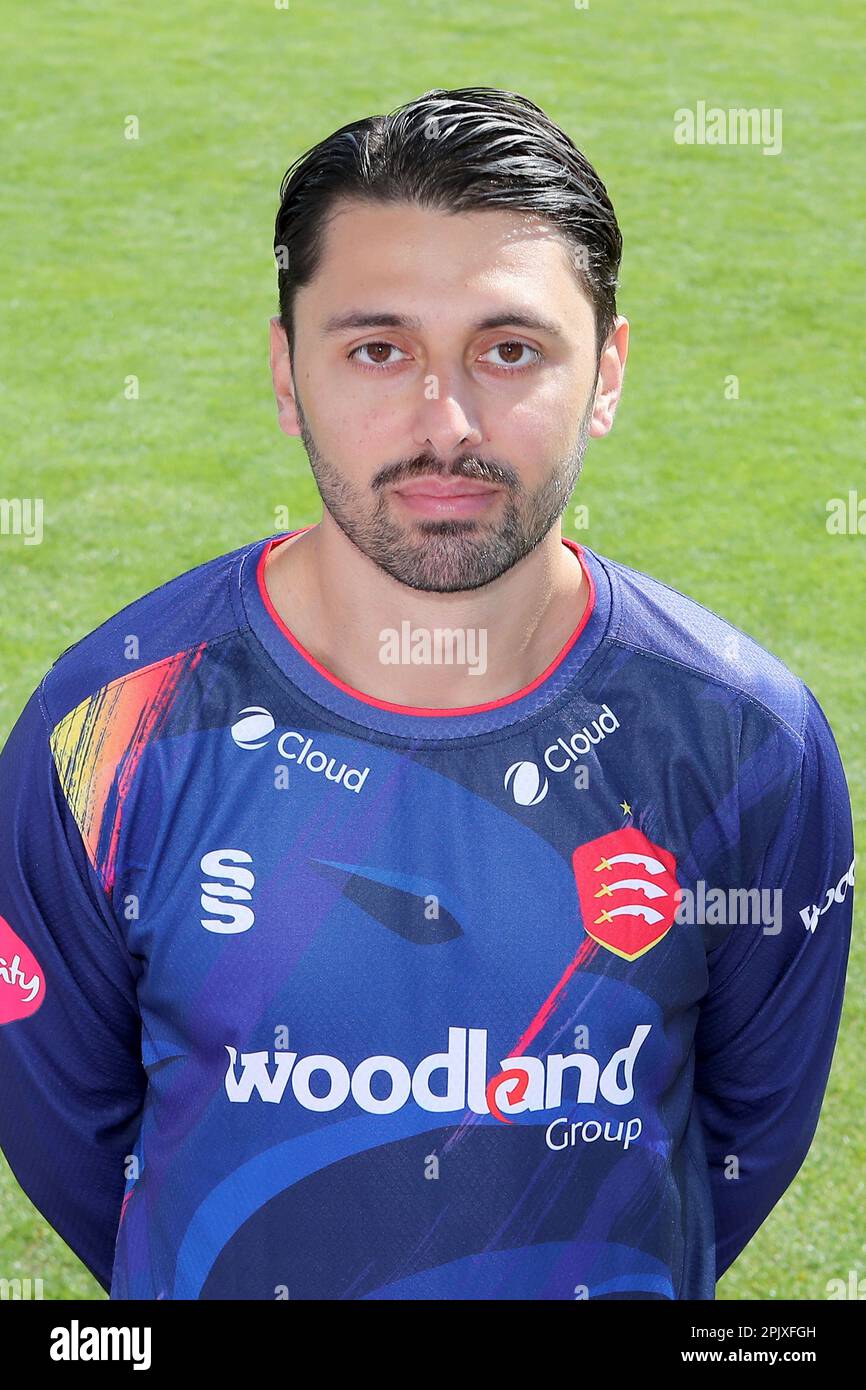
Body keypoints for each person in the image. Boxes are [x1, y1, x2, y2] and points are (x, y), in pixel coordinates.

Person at [0, 87, 854, 1301]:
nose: (441, 423)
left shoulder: (745, 740)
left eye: (508, 350)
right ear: (288, 375)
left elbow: (739, 1140)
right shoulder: (107, 728)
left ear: (605, 373)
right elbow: (70, 1135)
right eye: (375, 349)